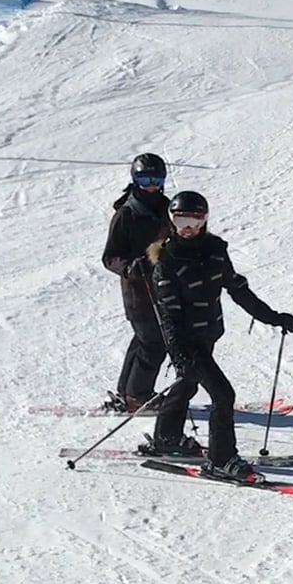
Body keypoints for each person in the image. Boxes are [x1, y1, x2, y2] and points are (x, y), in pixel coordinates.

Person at [142, 191, 293, 477]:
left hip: (208, 334)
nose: (187, 226)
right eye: (180, 219)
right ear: (171, 221)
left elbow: (237, 289)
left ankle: (167, 437)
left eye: (194, 219)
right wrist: (178, 352)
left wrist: (273, 317)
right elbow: (169, 315)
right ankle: (222, 459)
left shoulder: (215, 250)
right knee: (223, 395)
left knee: (188, 383)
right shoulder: (166, 261)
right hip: (186, 341)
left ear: (205, 220)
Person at [99, 153, 171, 414]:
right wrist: (129, 267)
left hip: (163, 286)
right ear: (134, 179)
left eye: (155, 179)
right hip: (137, 290)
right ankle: (139, 396)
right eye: (143, 179)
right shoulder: (127, 214)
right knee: (154, 341)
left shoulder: (166, 207)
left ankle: (126, 391)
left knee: (144, 339)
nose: (150, 184)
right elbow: (110, 257)